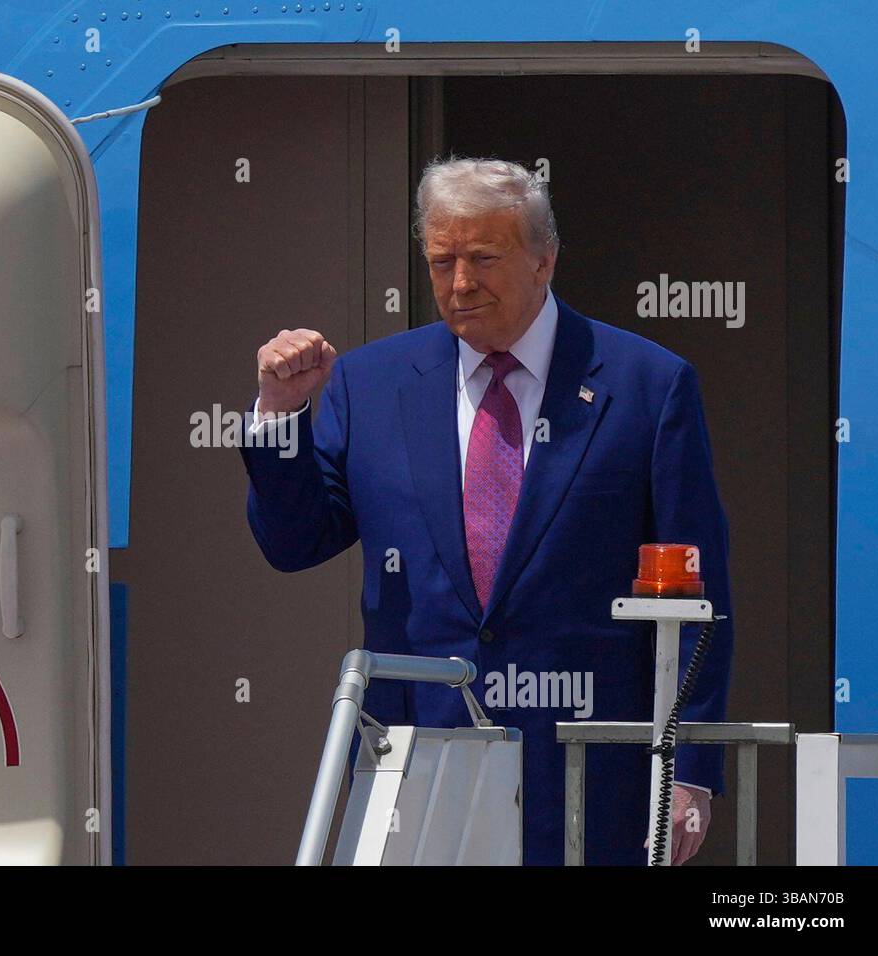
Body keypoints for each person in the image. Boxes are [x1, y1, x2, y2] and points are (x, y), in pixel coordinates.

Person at [240, 157, 734, 865]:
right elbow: (293, 543)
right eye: (441, 262)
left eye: (482, 258)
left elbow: (700, 595)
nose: (460, 284)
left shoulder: (647, 387)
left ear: (545, 260)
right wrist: (280, 416)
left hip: (588, 780)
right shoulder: (371, 384)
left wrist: (688, 771)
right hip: (418, 768)